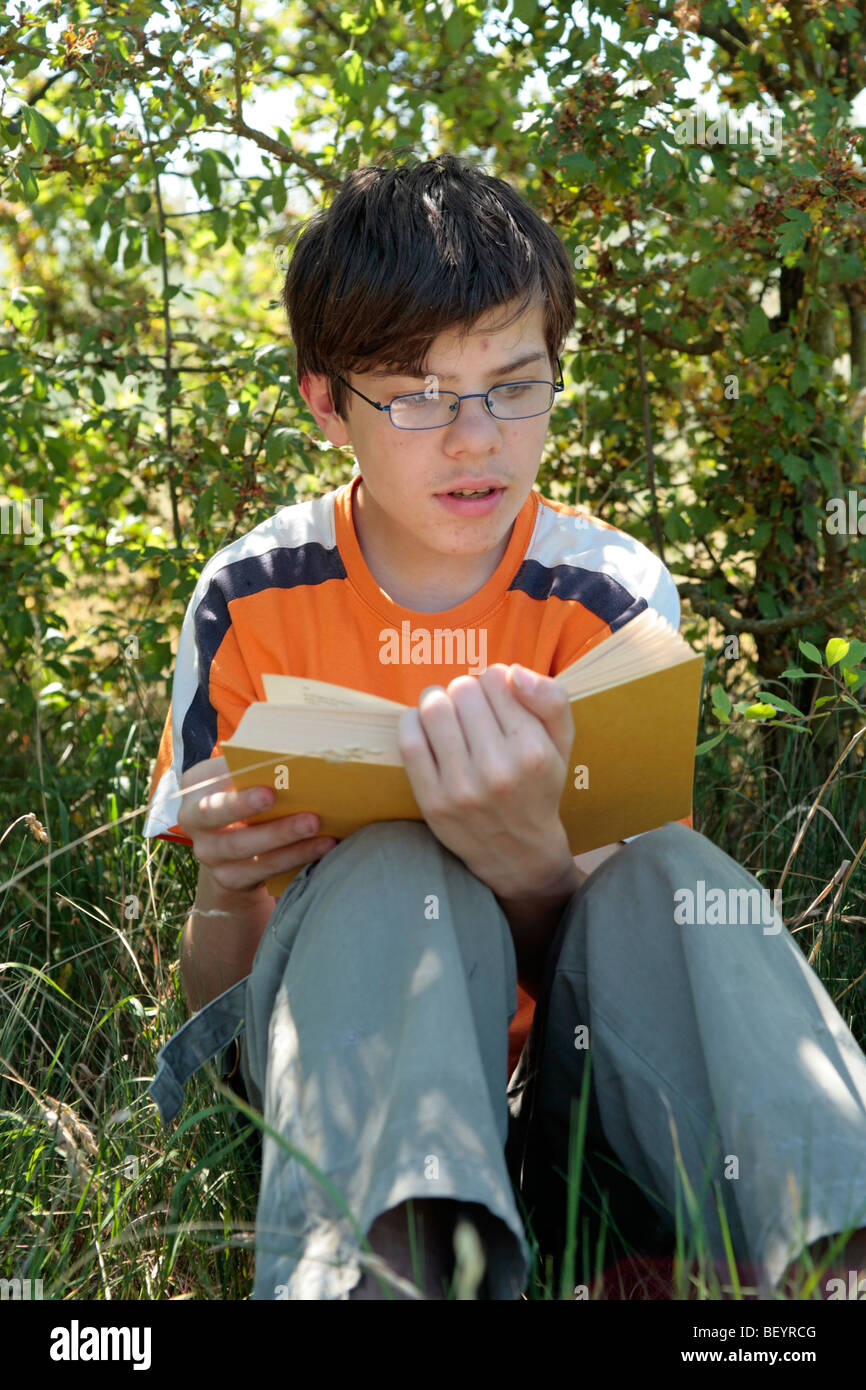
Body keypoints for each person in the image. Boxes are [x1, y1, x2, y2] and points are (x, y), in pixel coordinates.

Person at [143, 153, 866, 1301]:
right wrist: (225, 893)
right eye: (417, 394)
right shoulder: (250, 594)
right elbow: (221, 1013)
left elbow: (637, 956)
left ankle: (831, 1262)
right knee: (386, 864)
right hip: (350, 1102)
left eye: (512, 385)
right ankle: (390, 1275)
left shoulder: (607, 591)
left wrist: (525, 861)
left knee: (673, 874)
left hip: (585, 1103)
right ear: (325, 403)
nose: (473, 437)